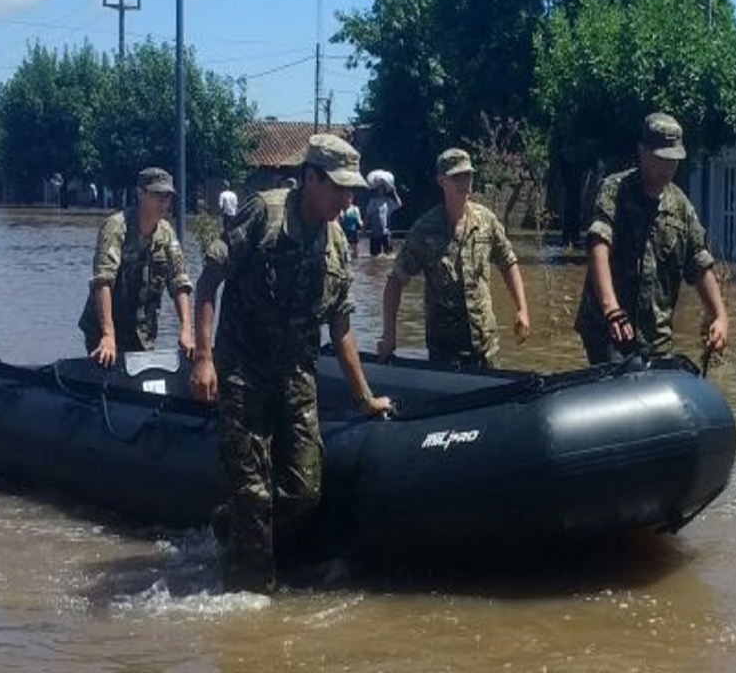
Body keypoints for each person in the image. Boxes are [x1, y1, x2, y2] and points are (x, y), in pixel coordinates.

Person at [189, 134, 392, 590]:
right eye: (339, 187)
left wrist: (364, 398)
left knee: (305, 492)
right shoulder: (264, 213)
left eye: (352, 189)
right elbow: (209, 283)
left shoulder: (337, 243)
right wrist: (204, 359)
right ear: (311, 178)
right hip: (243, 370)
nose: (348, 198)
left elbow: (340, 326)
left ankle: (232, 521)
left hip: (296, 375)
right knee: (255, 496)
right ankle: (252, 602)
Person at [575, 112, 729, 365]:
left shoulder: (681, 206)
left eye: (673, 161)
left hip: (656, 337)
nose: (667, 168)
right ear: (642, 151)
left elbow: (700, 264)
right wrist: (610, 308)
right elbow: (598, 243)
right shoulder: (615, 190)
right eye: (660, 159)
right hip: (609, 330)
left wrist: (720, 317)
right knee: (619, 394)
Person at [378, 147, 530, 367]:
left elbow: (508, 263)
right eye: (457, 177)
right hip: (444, 350)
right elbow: (395, 281)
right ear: (442, 181)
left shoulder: (486, 221)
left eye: (468, 175)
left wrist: (522, 309)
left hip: (485, 346)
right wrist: (389, 335)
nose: (464, 182)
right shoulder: (425, 230)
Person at [78, 167, 194, 367]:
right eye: (157, 195)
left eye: (167, 197)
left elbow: (179, 282)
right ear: (140, 193)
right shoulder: (116, 227)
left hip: (142, 333)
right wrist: (107, 335)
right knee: (108, 384)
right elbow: (103, 281)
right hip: (105, 331)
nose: (163, 202)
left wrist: (186, 330)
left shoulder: (166, 233)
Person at [366, 181, 398, 257]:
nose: (381, 190)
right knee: (374, 257)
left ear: (385, 190)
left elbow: (399, 204)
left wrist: (394, 192)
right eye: (379, 189)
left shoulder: (388, 201)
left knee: (389, 255)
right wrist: (364, 228)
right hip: (375, 232)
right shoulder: (373, 201)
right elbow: (367, 215)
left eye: (382, 189)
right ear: (377, 190)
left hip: (386, 232)